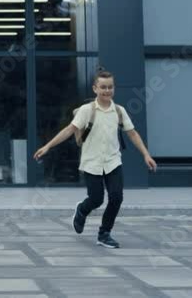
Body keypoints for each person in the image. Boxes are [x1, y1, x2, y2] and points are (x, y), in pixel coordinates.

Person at [33, 68, 157, 249]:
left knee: (116, 197)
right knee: (96, 199)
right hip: (92, 163)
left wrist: (146, 154)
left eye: (110, 87)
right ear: (95, 89)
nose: (107, 91)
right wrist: (48, 146)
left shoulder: (119, 112)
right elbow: (69, 130)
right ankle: (82, 210)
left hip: (113, 161)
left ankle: (104, 233)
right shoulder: (86, 110)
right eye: (103, 87)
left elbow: (132, 134)